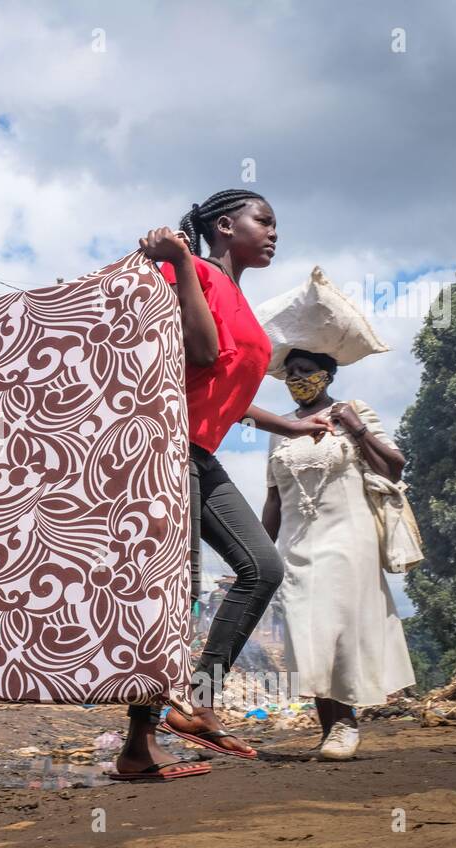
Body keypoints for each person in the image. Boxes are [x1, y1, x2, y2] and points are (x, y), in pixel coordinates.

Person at [113, 190, 333, 781]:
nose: (273, 232)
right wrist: (182, 262)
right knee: (173, 597)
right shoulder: (191, 273)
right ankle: (139, 747)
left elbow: (226, 392)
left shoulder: (234, 295)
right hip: (163, 451)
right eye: (265, 220)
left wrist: (289, 422)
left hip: (200, 457)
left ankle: (197, 702)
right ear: (224, 225)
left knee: (261, 568)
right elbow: (204, 352)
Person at [262, 349, 414, 759]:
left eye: (306, 371)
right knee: (304, 629)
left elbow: (394, 468)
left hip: (349, 537)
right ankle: (330, 727)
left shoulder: (354, 411)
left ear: (327, 375)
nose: (297, 378)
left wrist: (357, 430)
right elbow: (274, 499)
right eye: (291, 372)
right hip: (296, 544)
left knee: (336, 627)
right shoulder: (281, 429)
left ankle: (345, 723)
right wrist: (258, 553)